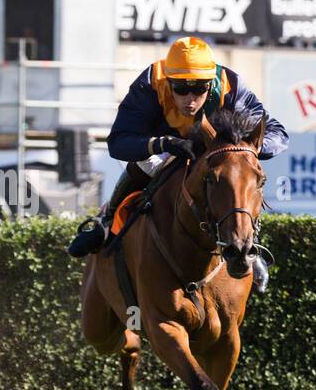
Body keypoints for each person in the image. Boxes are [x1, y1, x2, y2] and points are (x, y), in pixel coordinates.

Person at [66, 36, 289, 291]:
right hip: (165, 149)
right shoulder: (149, 84)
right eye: (181, 89)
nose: (190, 99)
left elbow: (278, 134)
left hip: (214, 154)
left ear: (211, 83)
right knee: (147, 164)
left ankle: (251, 248)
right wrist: (162, 143)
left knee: (238, 182)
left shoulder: (232, 86)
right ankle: (105, 222)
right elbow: (118, 142)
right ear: (168, 80)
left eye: (200, 89)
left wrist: (243, 150)